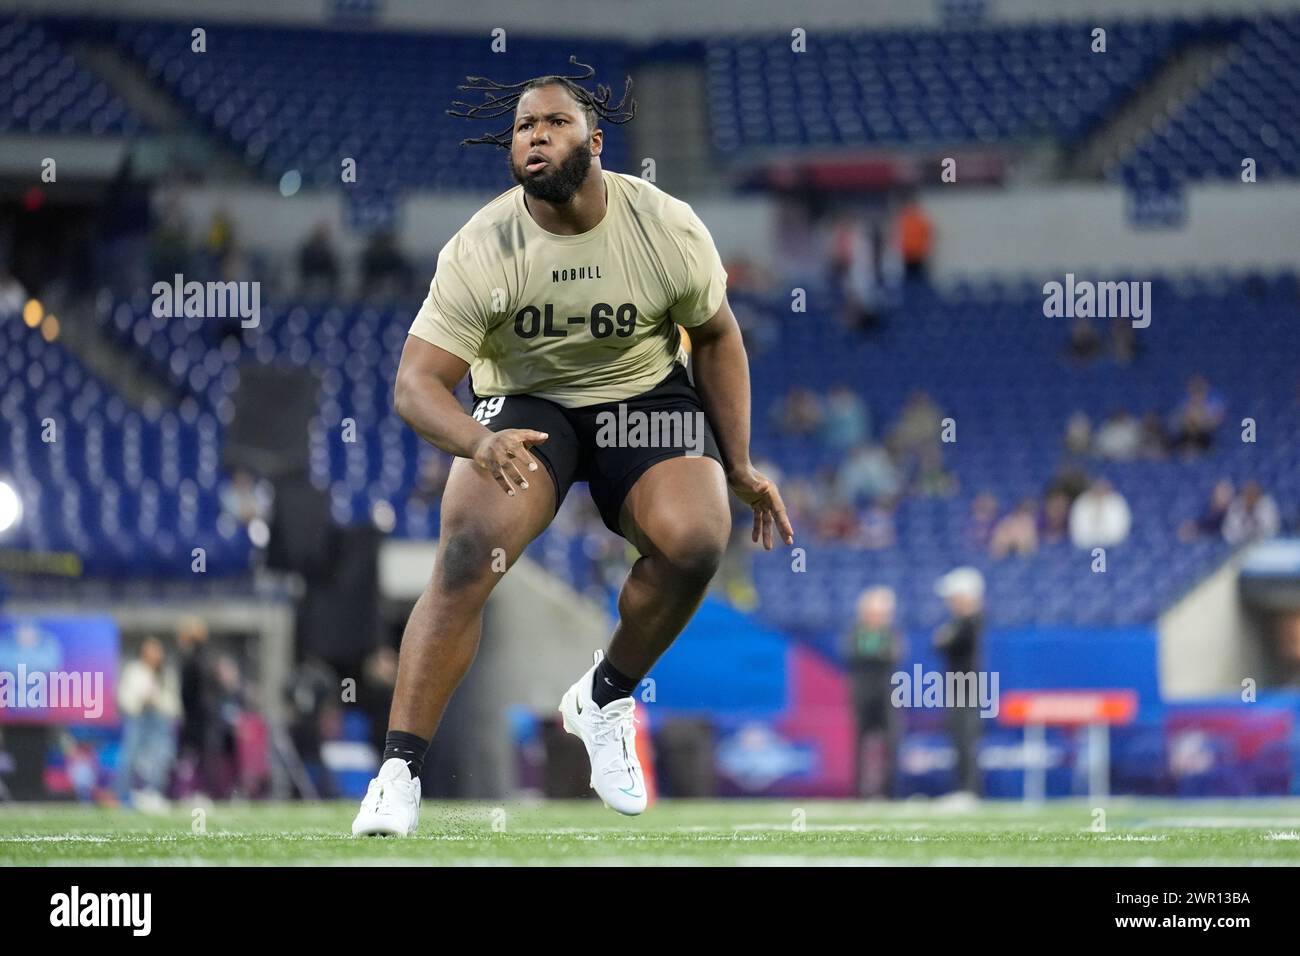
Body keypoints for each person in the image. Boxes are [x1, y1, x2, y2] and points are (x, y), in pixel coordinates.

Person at [352, 59, 793, 837]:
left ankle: (604, 696)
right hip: (529, 403)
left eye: (553, 122)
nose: (535, 136)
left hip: (643, 393)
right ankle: (397, 771)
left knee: (696, 541)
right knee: (468, 551)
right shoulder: (482, 247)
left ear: (595, 140)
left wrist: (740, 462)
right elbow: (416, 385)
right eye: (524, 127)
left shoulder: (664, 224)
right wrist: (476, 440)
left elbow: (720, 336)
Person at [844, 587, 902, 798]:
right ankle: (861, 792)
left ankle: (889, 792)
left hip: (886, 693)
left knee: (890, 741)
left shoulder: (889, 632)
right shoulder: (857, 632)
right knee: (861, 743)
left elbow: (893, 656)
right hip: (862, 692)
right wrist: (876, 655)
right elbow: (853, 655)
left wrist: (873, 655)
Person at [933, 567, 985, 797]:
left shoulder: (970, 622)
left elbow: (945, 643)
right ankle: (964, 787)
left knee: (966, 738)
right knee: (959, 737)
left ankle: (968, 789)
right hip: (957, 684)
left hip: (966, 685)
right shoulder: (961, 623)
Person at [116, 636, 181, 809]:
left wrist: (158, 699)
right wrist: (139, 700)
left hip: (159, 719)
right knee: (129, 756)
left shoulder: (165, 673)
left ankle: (153, 793)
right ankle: (123, 797)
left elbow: (173, 701)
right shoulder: (134, 670)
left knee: (161, 758)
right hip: (139, 717)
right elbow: (124, 696)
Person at [1068, 478, 1132, 549]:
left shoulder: (1116, 502)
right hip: (1086, 547)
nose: (1100, 492)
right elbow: (1077, 528)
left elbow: (1121, 528)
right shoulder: (1083, 502)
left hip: (1113, 546)